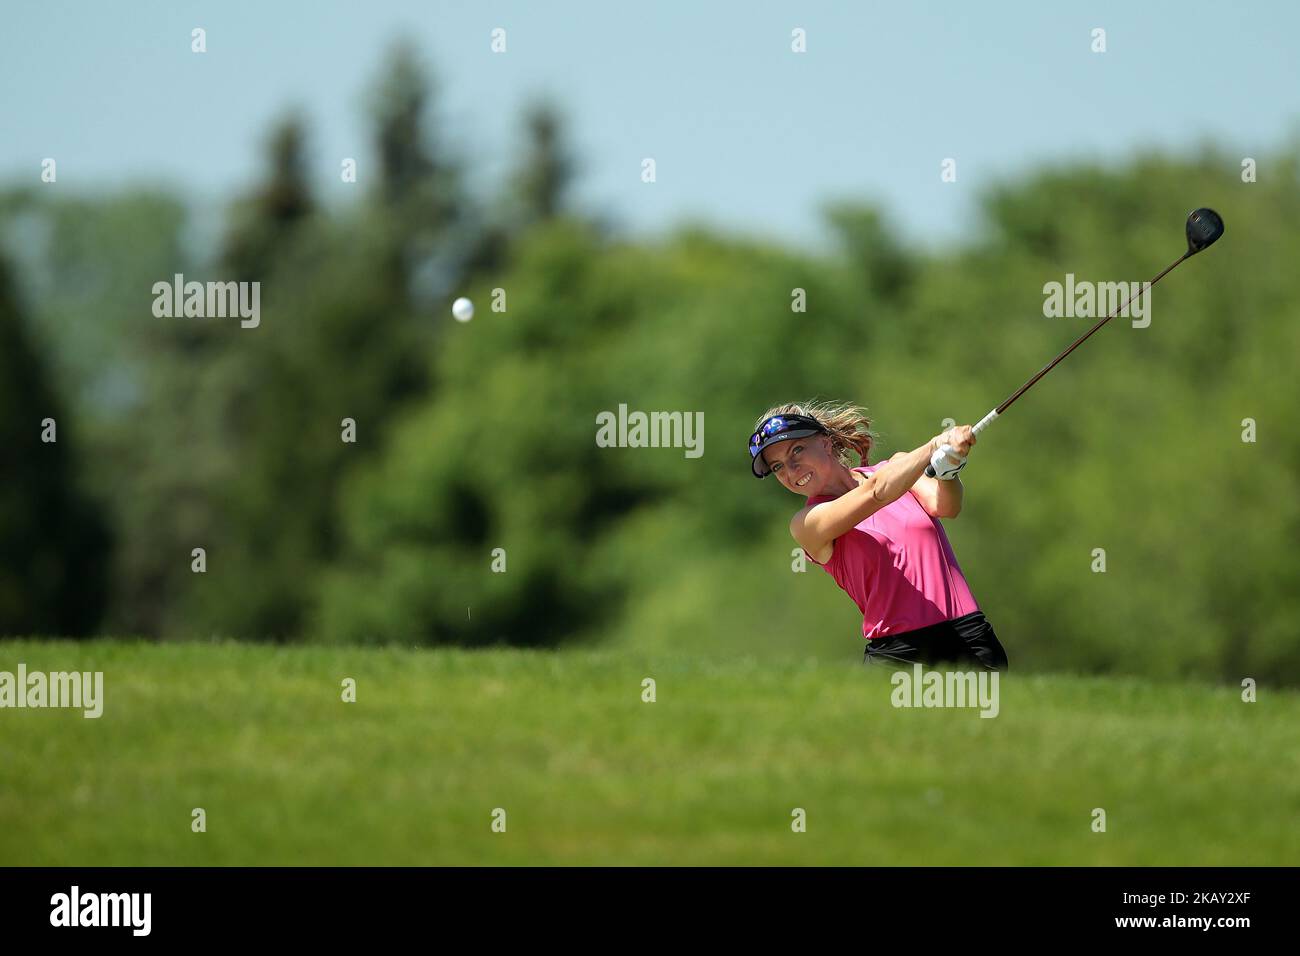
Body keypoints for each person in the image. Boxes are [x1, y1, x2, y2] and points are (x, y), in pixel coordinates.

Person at [749, 401, 1007, 670]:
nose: (791, 470)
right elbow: (876, 492)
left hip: (968, 636)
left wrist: (949, 469)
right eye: (778, 467)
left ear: (825, 443)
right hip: (899, 654)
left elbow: (945, 506)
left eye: (797, 451)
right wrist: (935, 444)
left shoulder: (896, 468)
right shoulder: (806, 523)